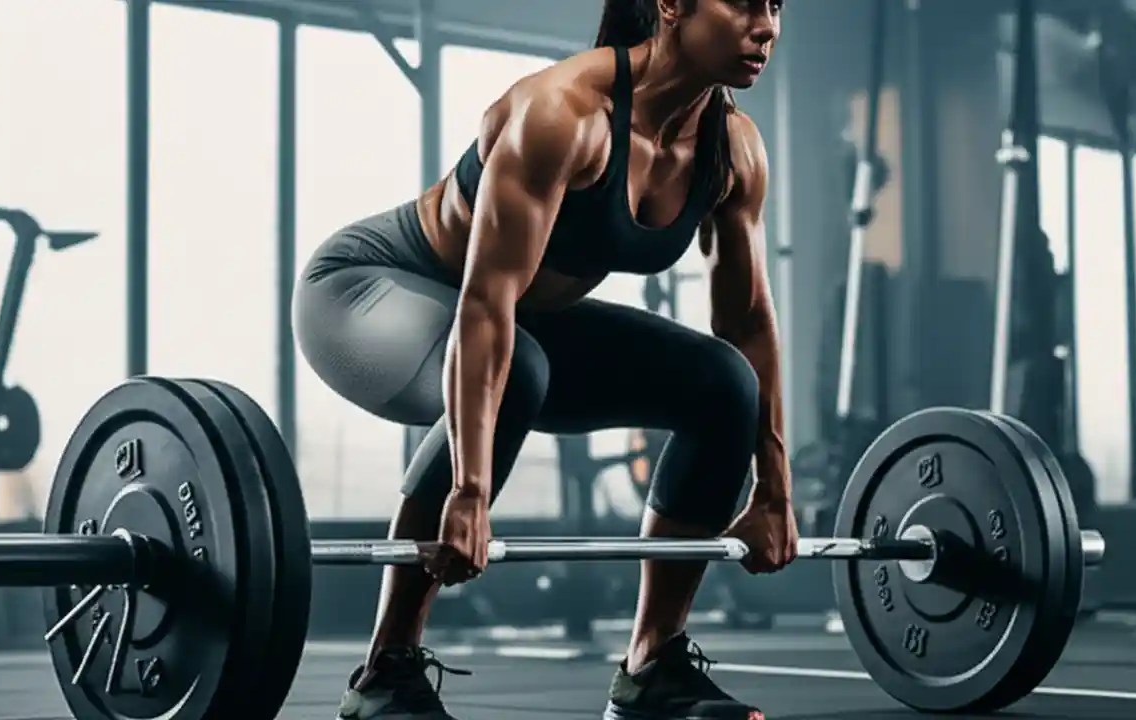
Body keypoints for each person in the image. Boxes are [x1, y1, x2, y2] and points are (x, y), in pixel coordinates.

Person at [293, 1, 793, 718]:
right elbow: (484, 303)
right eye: (743, 1)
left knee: (722, 385)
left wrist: (773, 489)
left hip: (515, 321)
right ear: (672, 5)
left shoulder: (733, 149)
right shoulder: (561, 111)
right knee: (517, 369)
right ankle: (386, 672)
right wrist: (469, 491)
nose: (767, 25)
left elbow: (746, 319)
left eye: (777, 5)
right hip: (363, 296)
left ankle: (651, 667)